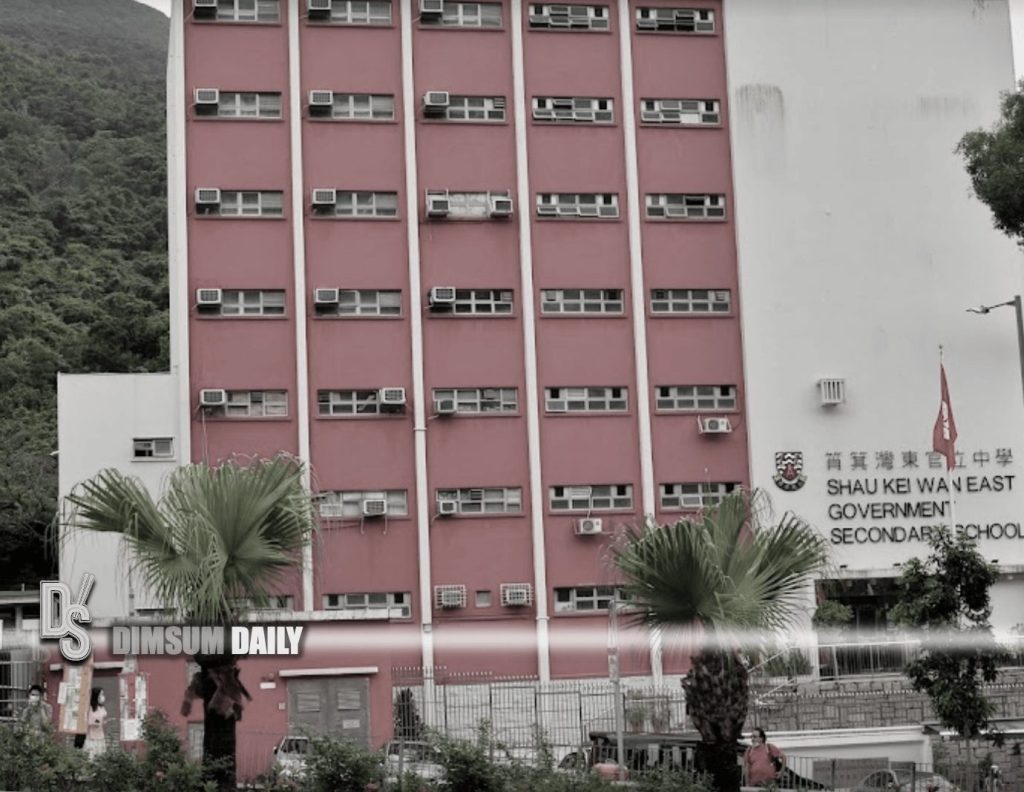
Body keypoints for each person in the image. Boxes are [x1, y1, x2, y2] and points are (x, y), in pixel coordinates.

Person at [83, 686, 107, 758]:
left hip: (100, 735)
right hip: (91, 737)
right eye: (101, 695)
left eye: (103, 694)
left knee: (100, 756)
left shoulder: (101, 707)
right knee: (91, 756)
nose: (103, 697)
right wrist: (98, 721)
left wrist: (103, 722)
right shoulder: (89, 708)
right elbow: (89, 721)